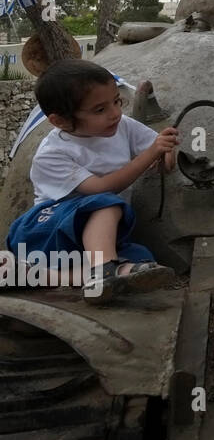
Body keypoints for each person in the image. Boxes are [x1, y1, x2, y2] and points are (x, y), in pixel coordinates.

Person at [3, 60, 178, 304]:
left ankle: (44, 275)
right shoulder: (52, 153)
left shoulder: (122, 126)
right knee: (104, 203)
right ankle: (104, 270)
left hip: (88, 244)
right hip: (46, 232)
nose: (115, 112)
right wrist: (150, 154)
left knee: (141, 260)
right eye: (99, 110)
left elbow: (157, 152)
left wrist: (165, 154)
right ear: (60, 121)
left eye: (117, 101)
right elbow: (102, 188)